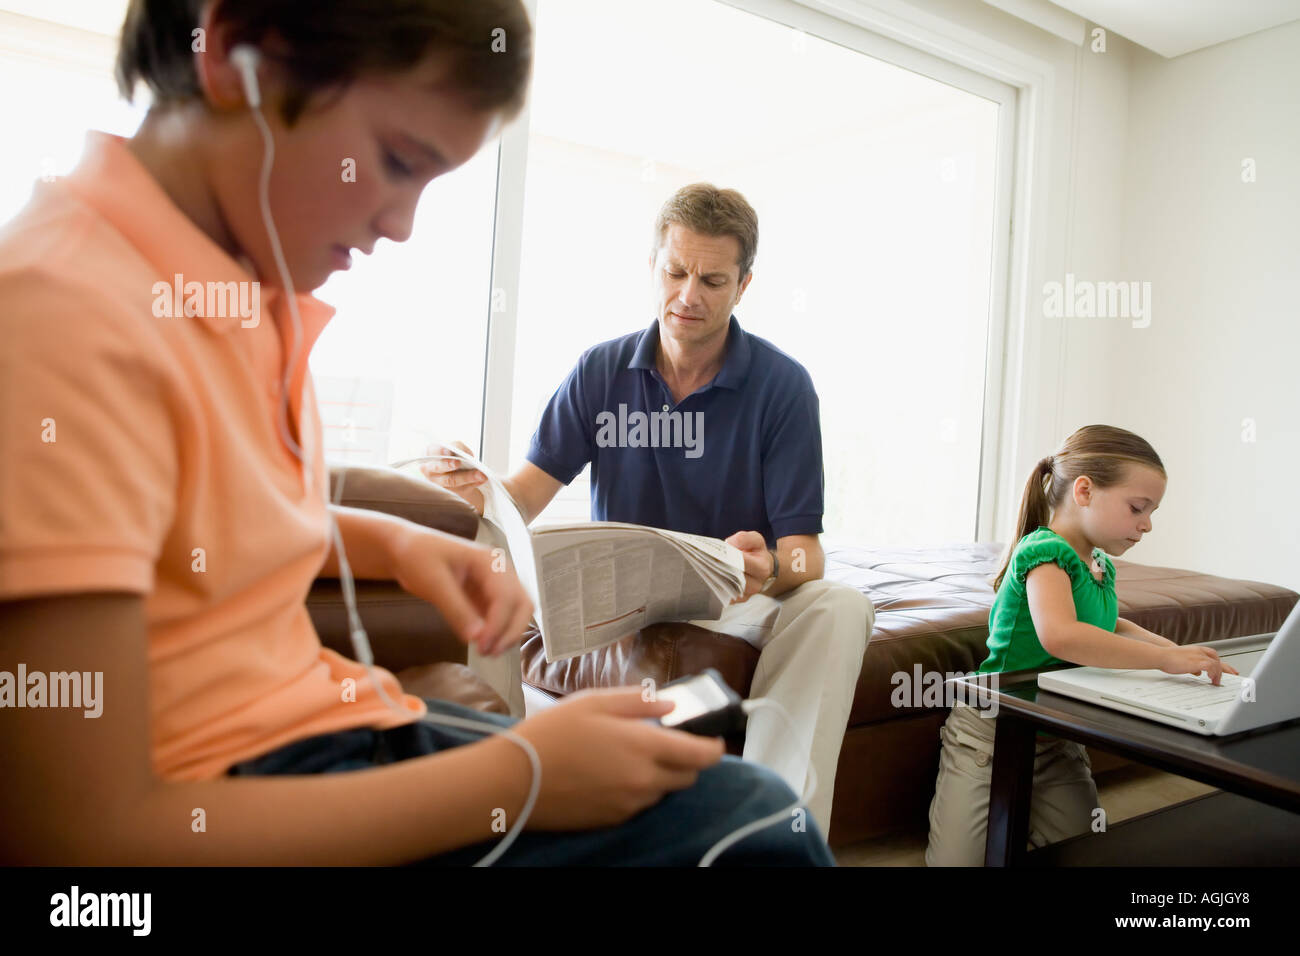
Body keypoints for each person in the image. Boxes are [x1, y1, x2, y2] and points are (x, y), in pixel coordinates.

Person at [0, 0, 832, 866]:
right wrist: (522, 779)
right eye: (396, 161)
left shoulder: (231, 293)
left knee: (751, 792)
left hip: (325, 722)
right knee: (759, 834)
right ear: (243, 51)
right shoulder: (64, 317)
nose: (399, 225)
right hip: (260, 778)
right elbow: (74, 836)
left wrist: (397, 545)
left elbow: (201, 525)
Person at [424, 183, 874, 834]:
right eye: (676, 271)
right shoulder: (600, 371)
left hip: (733, 599)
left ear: (744, 285)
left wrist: (770, 568)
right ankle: (505, 792)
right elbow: (523, 496)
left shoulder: (783, 387)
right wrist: (476, 491)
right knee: (490, 549)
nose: (689, 295)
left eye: (713, 280)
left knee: (842, 604)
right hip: (620, 598)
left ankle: (776, 830)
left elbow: (807, 551)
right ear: (653, 266)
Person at [924, 424, 1238, 866]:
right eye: (1138, 508)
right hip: (991, 734)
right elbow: (1063, 635)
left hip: (1056, 739)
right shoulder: (1044, 551)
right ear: (1085, 491)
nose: (1146, 525)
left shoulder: (1100, 566)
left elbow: (1114, 628)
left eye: (1152, 512)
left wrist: (1183, 656)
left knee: (1090, 849)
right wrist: (1164, 660)